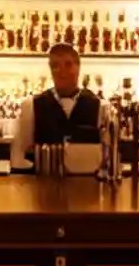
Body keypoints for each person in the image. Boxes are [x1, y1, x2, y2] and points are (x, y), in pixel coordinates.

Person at [9, 43, 110, 172]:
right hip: (45, 186)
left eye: (68, 65)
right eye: (55, 66)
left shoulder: (100, 107)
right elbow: (18, 155)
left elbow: (107, 157)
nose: (62, 72)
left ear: (78, 67)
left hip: (87, 185)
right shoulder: (31, 106)